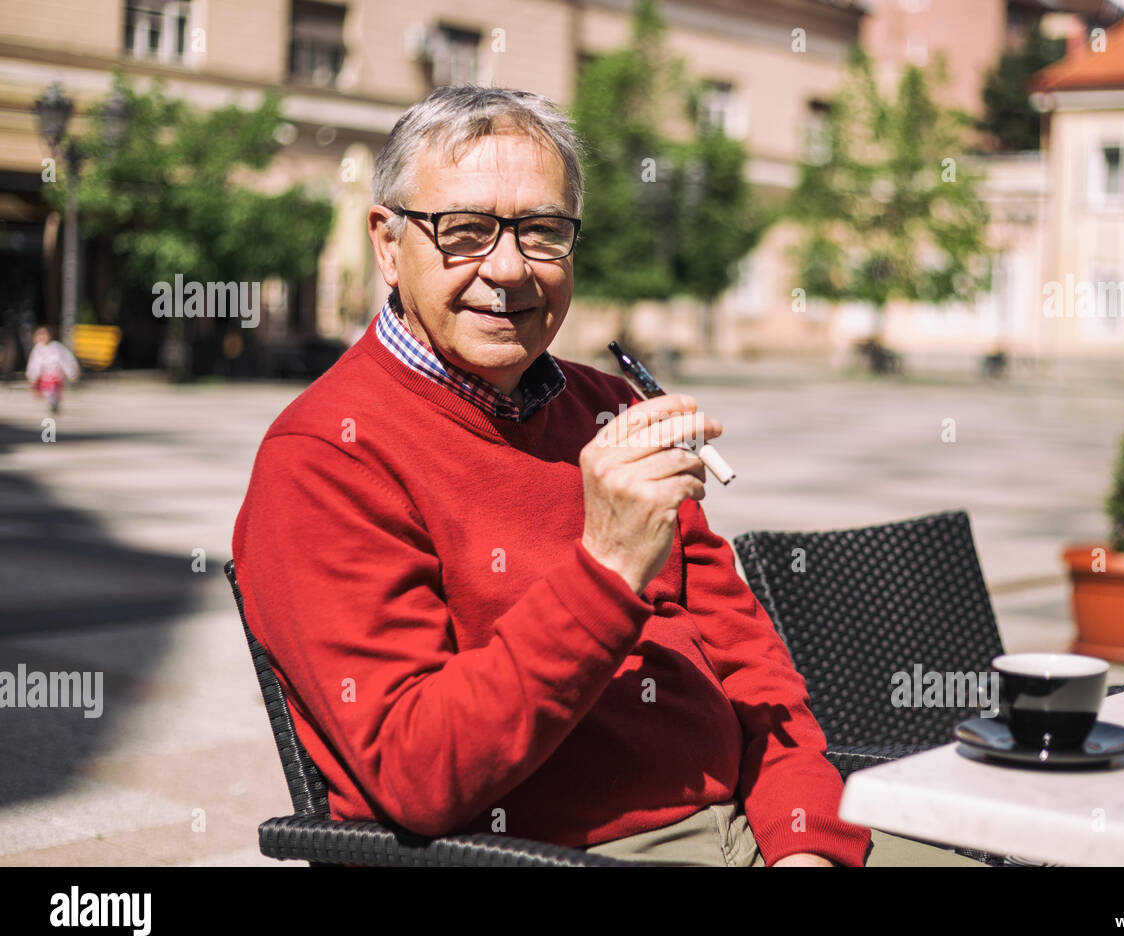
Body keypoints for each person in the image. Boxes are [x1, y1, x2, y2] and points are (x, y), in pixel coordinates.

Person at [232, 86, 873, 867]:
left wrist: (805, 838)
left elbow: (756, 673)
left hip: (762, 830)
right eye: (463, 231)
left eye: (542, 232)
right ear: (387, 243)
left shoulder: (611, 408)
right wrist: (605, 568)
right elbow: (417, 773)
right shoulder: (325, 455)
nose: (508, 269)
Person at [25, 326, 80, 414]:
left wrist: (71, 372)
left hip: (55, 375)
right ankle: (52, 403)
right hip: (44, 376)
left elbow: (65, 360)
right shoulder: (37, 349)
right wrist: (32, 377)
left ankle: (54, 403)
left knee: (54, 391)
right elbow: (34, 364)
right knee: (48, 392)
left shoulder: (57, 347)